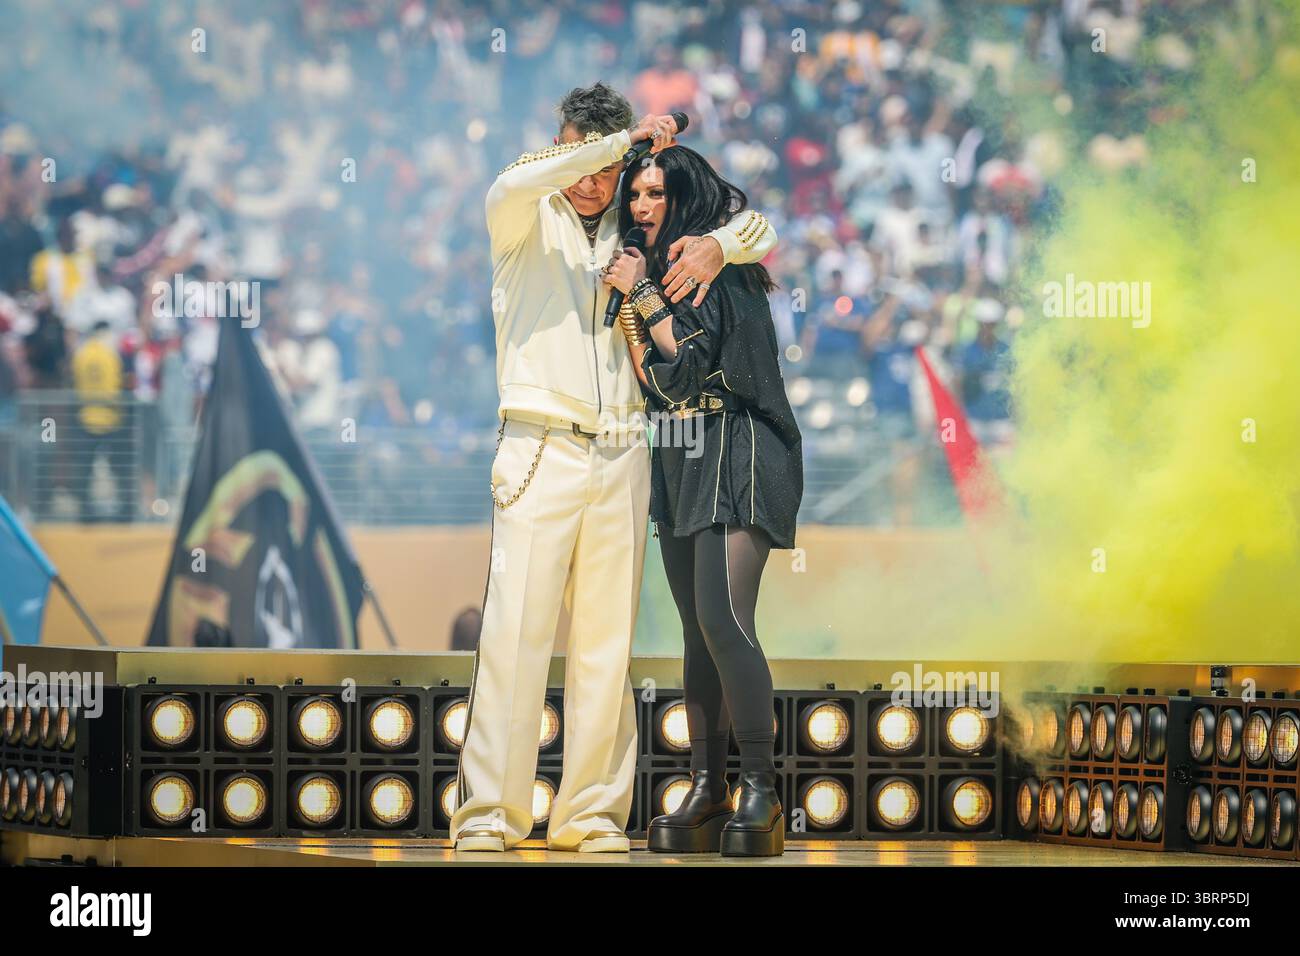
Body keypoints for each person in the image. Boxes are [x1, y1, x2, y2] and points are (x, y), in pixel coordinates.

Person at [451, 83, 777, 854]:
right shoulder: (521, 212)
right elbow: (523, 176)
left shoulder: (640, 226)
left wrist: (719, 246)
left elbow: (759, 231)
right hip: (540, 443)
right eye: (584, 156)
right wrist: (622, 142)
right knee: (515, 638)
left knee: (606, 646)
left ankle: (591, 814)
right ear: (564, 144)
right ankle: (489, 816)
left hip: (628, 447)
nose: (596, 181)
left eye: (610, 168)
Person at [602, 145, 802, 856]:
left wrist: (646, 297)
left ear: (684, 198)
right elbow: (660, 391)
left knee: (724, 618)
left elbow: (685, 375)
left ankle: (761, 791)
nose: (642, 207)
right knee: (695, 632)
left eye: (655, 194)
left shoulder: (719, 264)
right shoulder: (657, 273)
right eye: (636, 196)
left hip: (743, 448)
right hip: (685, 456)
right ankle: (708, 784)